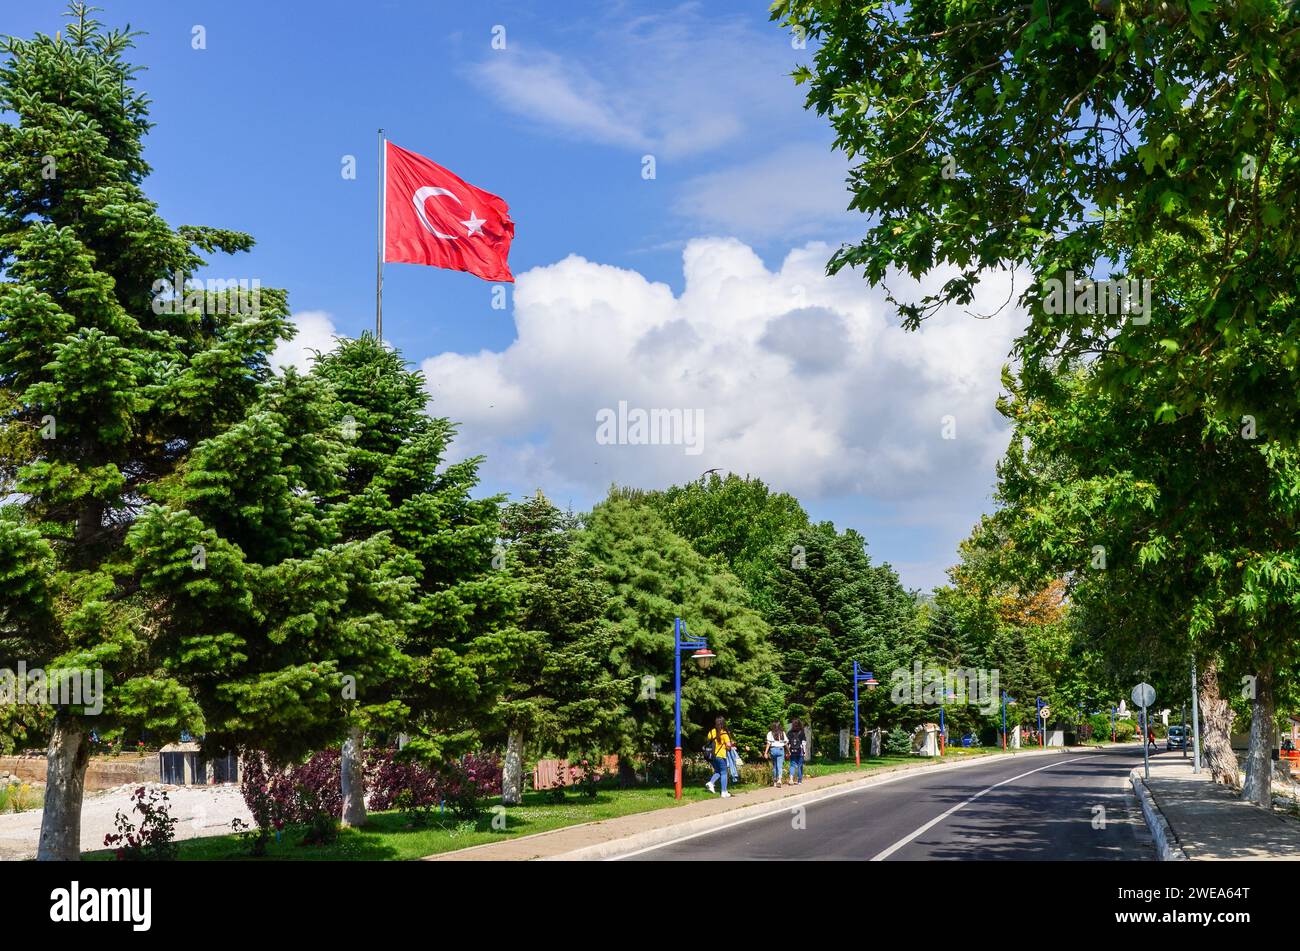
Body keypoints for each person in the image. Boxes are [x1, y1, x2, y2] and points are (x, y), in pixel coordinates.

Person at [705, 716, 734, 798]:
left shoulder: (711, 732)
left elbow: (709, 740)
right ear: (723, 723)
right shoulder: (724, 733)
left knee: (718, 771)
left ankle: (710, 783)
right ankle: (724, 792)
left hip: (712, 756)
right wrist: (729, 746)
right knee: (724, 773)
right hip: (721, 755)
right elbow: (728, 746)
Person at [764, 720, 788, 787]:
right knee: (780, 766)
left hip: (773, 750)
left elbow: (768, 743)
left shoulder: (770, 733)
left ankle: (774, 781)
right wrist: (788, 752)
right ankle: (779, 780)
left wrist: (765, 752)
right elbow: (785, 743)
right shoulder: (782, 733)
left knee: (774, 766)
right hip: (780, 749)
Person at [786, 718, 807, 785]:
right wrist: (804, 751)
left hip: (792, 751)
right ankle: (799, 781)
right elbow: (804, 743)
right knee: (800, 766)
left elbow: (787, 743)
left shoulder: (789, 732)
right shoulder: (802, 732)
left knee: (792, 765)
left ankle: (791, 779)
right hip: (800, 751)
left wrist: (788, 751)